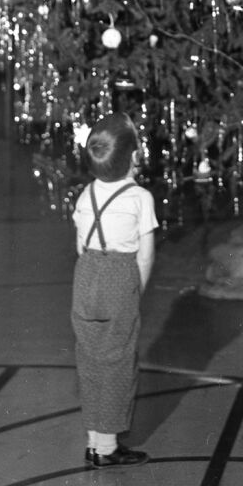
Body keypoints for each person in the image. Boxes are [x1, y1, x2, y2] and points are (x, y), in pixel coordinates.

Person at [71, 111, 157, 467]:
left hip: (85, 275)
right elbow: (146, 255)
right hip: (120, 277)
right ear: (135, 157)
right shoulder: (140, 198)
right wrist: (135, 289)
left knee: (90, 359)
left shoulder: (86, 194)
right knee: (119, 362)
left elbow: (79, 246)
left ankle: (93, 439)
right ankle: (107, 448)